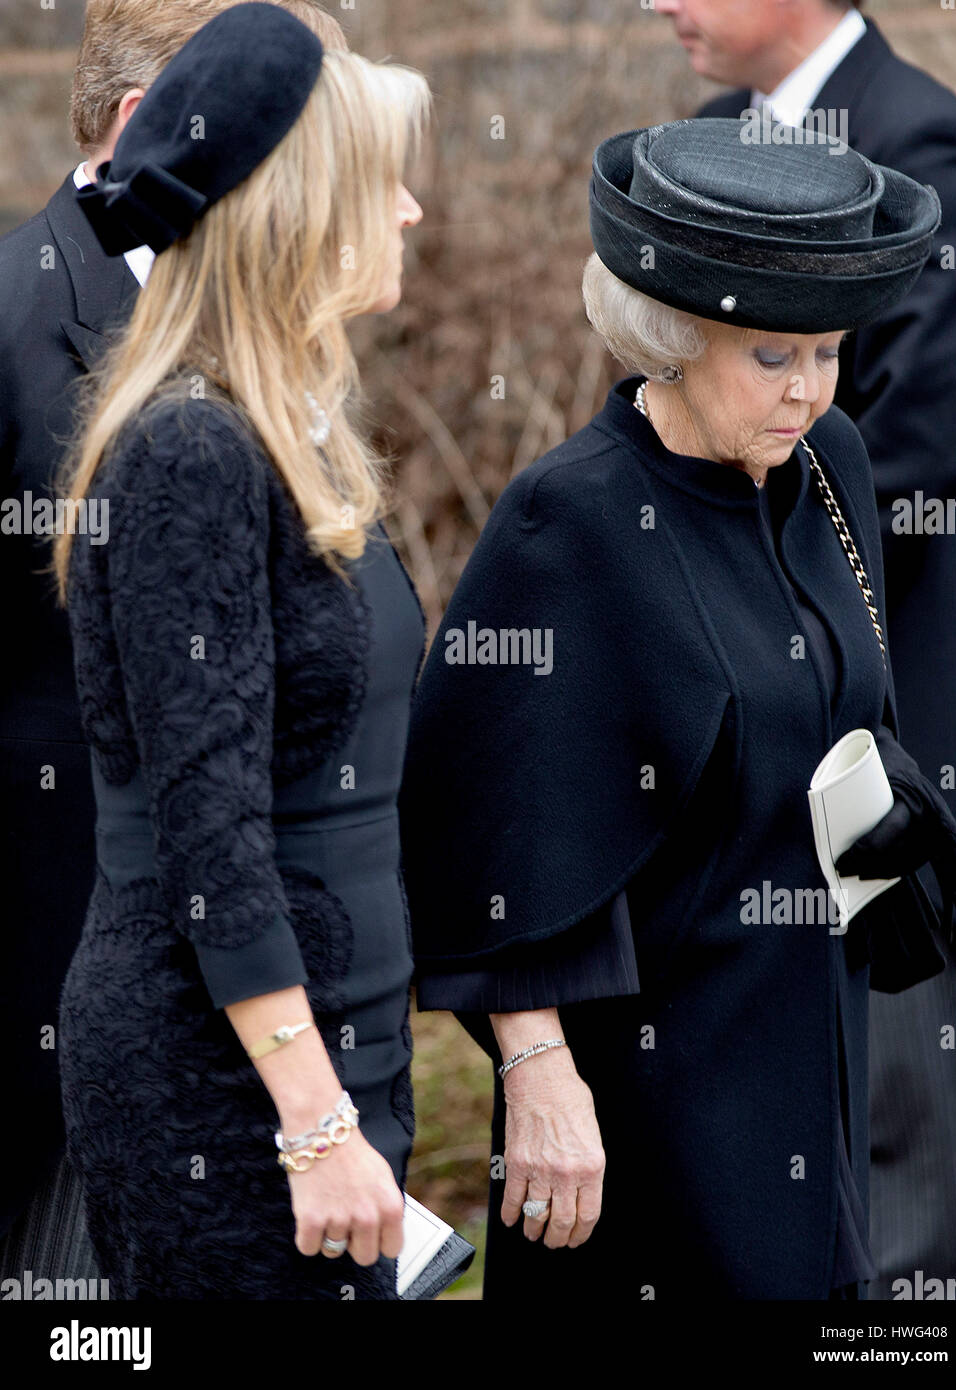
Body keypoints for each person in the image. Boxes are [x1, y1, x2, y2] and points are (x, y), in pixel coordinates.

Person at [399, 117, 956, 1301]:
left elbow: (843, 708)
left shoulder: (829, 467)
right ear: (670, 339)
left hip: (806, 1041)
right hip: (645, 1087)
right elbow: (480, 836)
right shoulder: (567, 524)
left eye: (826, 352)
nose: (808, 391)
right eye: (771, 359)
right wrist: (538, 1073)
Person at [50, 2, 430, 1298]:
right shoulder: (188, 449)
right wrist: (315, 1124)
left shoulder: (291, 430)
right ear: (301, 207)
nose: (411, 214)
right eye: (385, 185)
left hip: (328, 1053)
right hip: (226, 1087)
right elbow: (207, 824)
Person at [0, 0, 347, 1289]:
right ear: (159, 122)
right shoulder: (10, 319)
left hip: (254, 1011)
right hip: (61, 1007)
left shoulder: (278, 338)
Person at [659, 0, 956, 1298]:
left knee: (888, 1128)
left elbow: (903, 461)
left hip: (872, 727)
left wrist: (737, 612)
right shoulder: (696, 145)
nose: (657, 4)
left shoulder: (928, 144)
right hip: (719, 730)